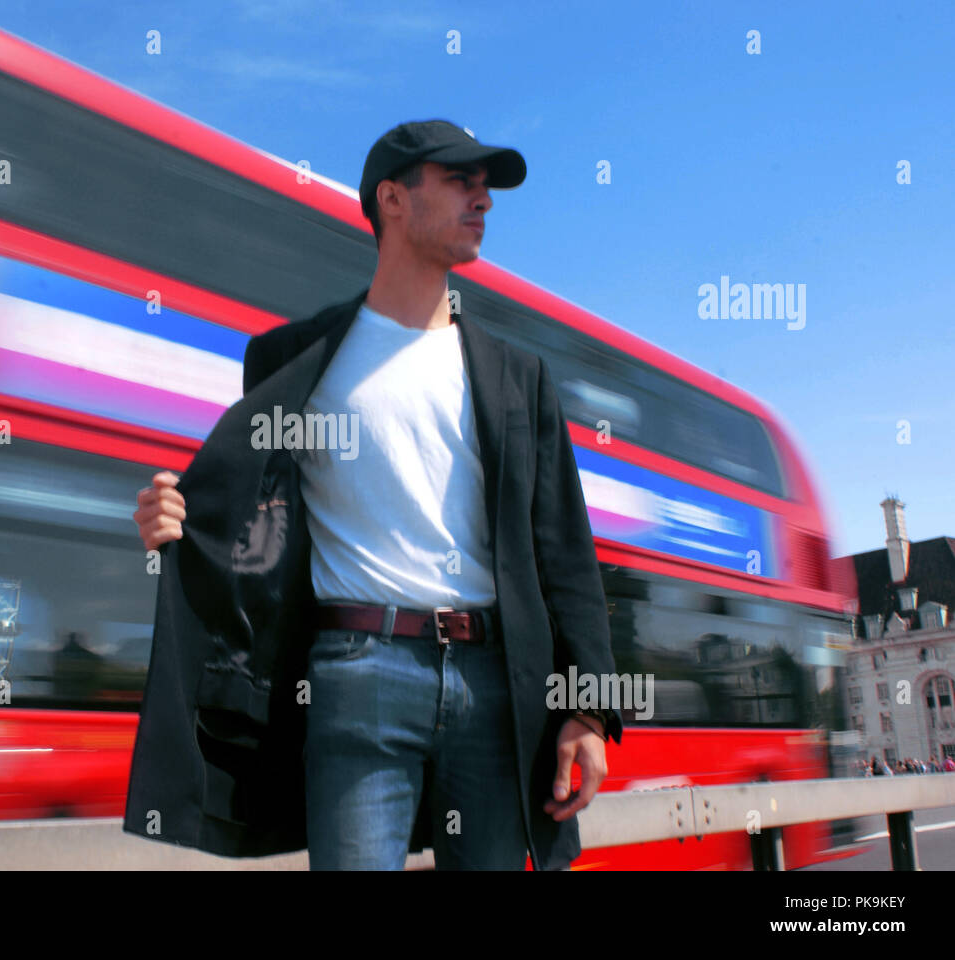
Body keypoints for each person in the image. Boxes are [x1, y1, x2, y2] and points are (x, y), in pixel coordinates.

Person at [126, 119, 623, 870]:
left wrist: (586, 706)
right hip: (355, 675)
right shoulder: (292, 360)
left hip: (495, 686)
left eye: (488, 186)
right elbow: (255, 523)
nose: (483, 200)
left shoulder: (520, 379)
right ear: (392, 198)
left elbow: (567, 556)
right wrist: (174, 522)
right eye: (462, 180)